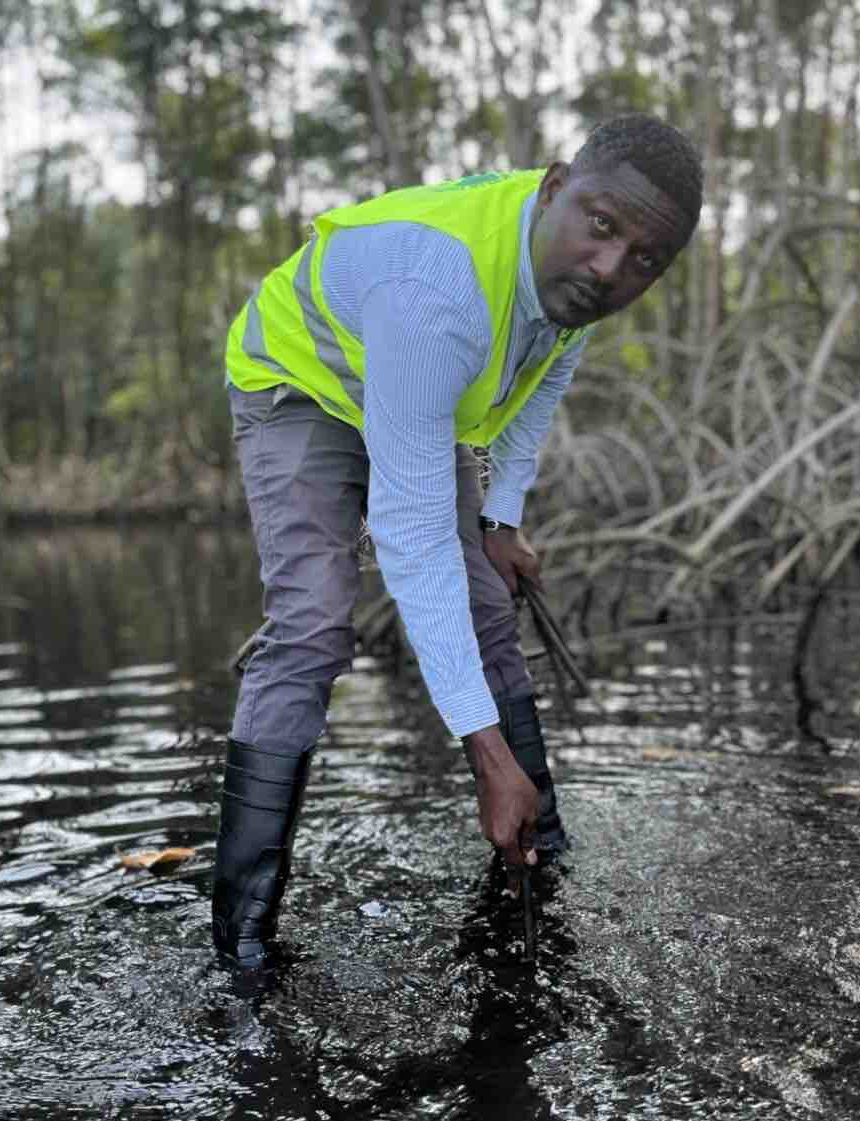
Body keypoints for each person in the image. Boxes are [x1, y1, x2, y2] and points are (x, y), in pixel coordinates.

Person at [212, 113, 703, 971]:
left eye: (644, 260)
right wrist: (482, 756)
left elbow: (538, 390)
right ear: (555, 187)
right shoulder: (438, 292)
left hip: (413, 389)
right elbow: (409, 536)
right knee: (314, 625)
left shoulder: (575, 284)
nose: (611, 268)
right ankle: (243, 938)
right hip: (301, 383)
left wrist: (501, 520)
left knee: (485, 602)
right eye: (600, 226)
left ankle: (537, 854)